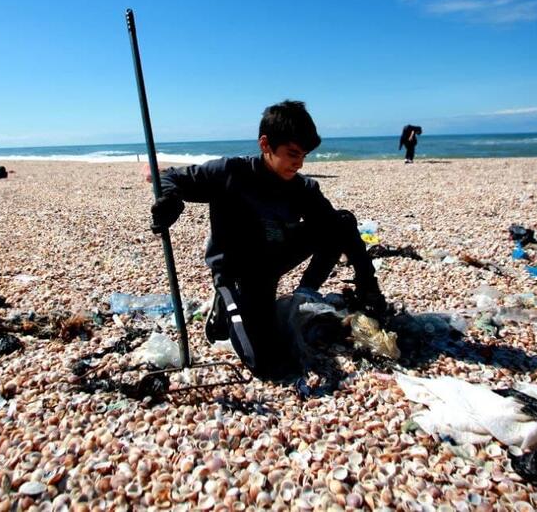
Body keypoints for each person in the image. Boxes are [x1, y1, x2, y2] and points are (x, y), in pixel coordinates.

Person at [151, 100, 389, 379]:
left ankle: (310, 293)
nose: (298, 163)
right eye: (292, 154)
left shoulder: (303, 188)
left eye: (304, 156)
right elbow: (169, 177)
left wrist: (368, 285)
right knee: (265, 364)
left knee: (342, 222)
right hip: (238, 271)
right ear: (265, 144)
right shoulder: (230, 173)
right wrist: (170, 202)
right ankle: (225, 306)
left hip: (274, 258)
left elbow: (337, 228)